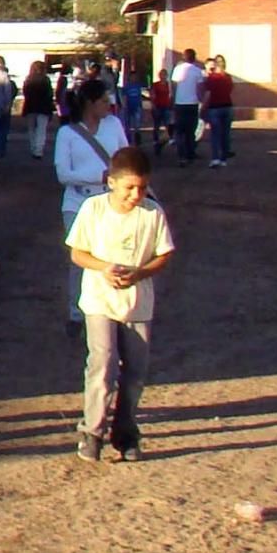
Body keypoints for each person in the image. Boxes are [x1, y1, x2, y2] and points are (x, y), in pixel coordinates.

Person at [67, 146, 176, 463]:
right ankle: (92, 431)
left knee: (136, 372)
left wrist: (141, 272)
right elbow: (77, 252)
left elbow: (164, 253)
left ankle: (125, 433)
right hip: (100, 300)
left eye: (141, 188)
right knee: (102, 364)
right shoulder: (93, 209)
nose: (135, 195)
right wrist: (104, 268)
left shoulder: (152, 214)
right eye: (129, 187)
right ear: (111, 181)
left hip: (137, 304)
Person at [54, 78, 129, 339]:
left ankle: (111, 311)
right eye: (104, 101)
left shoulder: (114, 125)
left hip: (111, 202)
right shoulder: (67, 133)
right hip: (78, 203)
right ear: (90, 103)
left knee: (113, 255)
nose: (109, 105)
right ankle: (77, 313)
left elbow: (125, 156)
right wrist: (101, 175)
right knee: (81, 260)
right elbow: (64, 174)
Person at [170, 49, 206, 166]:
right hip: (192, 104)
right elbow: (200, 88)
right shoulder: (197, 71)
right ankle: (190, 153)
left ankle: (181, 156)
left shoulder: (177, 69)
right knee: (191, 131)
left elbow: (174, 86)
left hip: (180, 104)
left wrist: (174, 99)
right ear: (194, 58)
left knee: (180, 131)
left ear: (184, 57)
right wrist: (201, 100)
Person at [202, 56, 235, 168]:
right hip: (228, 107)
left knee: (215, 134)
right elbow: (230, 90)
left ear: (215, 64)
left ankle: (215, 158)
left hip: (214, 108)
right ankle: (224, 159)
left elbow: (208, 94)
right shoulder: (228, 77)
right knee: (225, 134)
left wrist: (203, 108)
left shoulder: (212, 78)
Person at [21, 60, 55, 159]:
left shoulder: (28, 79)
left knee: (31, 129)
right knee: (41, 129)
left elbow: (25, 93)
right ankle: (38, 150)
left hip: (30, 106)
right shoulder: (45, 80)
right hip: (43, 107)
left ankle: (33, 147)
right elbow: (49, 94)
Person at [149, 67, 173, 155]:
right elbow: (152, 95)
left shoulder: (167, 85)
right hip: (158, 106)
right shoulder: (155, 85)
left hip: (166, 106)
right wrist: (153, 105)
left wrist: (171, 104)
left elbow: (170, 95)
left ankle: (163, 141)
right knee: (157, 125)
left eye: (165, 75)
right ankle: (156, 141)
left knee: (168, 126)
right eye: (162, 74)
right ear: (159, 76)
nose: (163, 76)